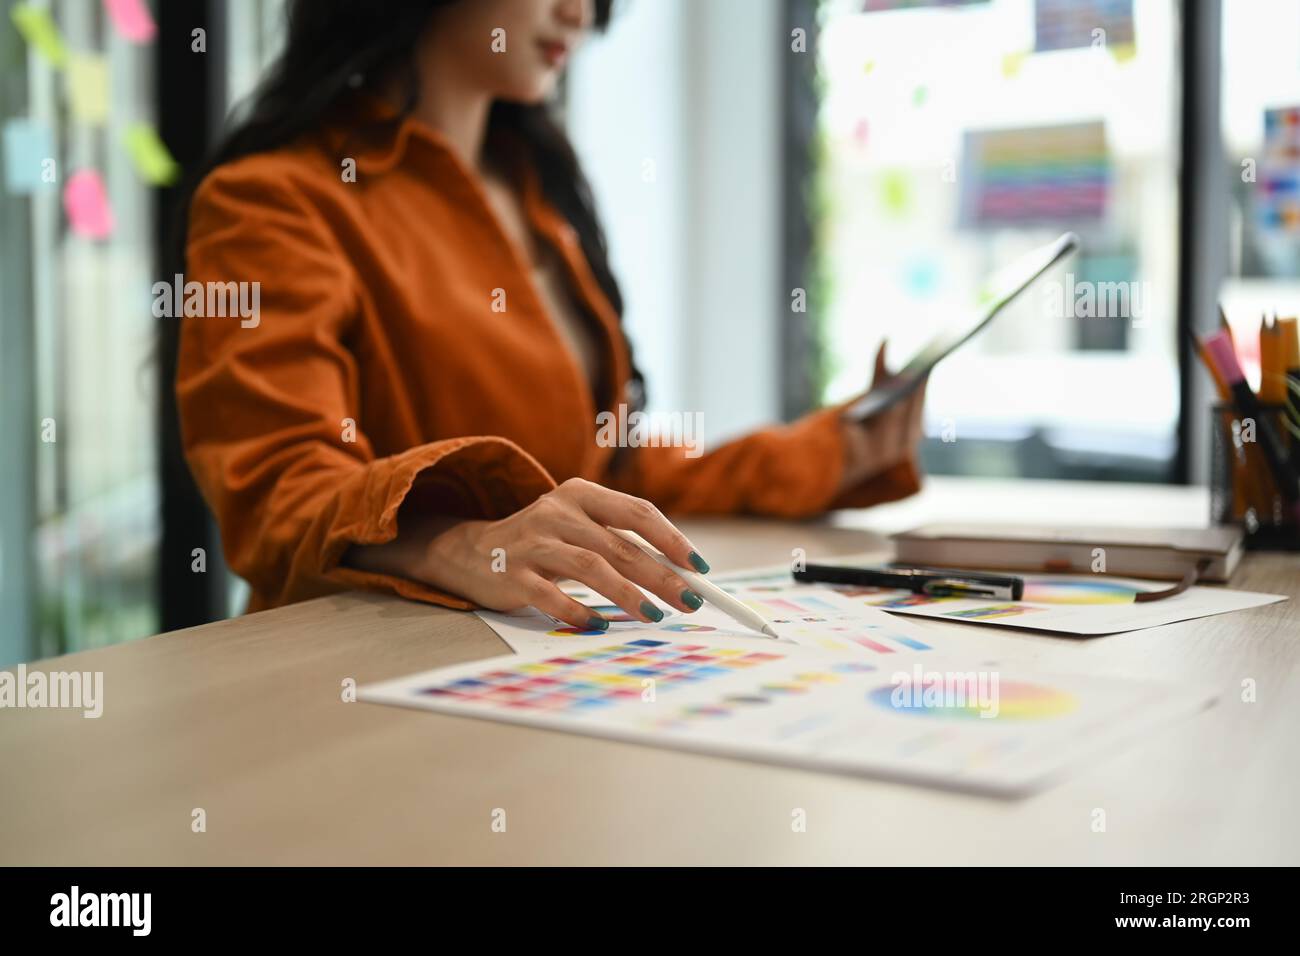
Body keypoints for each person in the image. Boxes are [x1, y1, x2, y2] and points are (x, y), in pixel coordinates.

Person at [176, 0, 926, 631]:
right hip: (358, 681)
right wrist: (453, 543)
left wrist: (833, 452)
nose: (581, 13)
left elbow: (603, 468)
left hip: (541, 654)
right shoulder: (275, 199)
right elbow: (275, 491)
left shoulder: (536, 197)